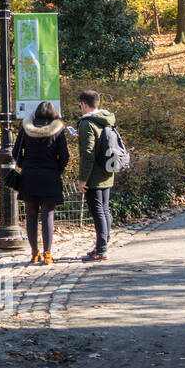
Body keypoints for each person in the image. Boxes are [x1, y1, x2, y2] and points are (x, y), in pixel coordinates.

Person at [11, 100, 69, 264]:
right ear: (53, 114)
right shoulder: (58, 129)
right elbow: (64, 156)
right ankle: (48, 254)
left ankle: (34, 253)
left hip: (29, 175)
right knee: (48, 214)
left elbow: (16, 151)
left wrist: (24, 164)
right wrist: (56, 169)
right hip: (50, 176)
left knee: (30, 215)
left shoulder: (26, 127)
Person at [76, 89, 117, 262]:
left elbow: (88, 154)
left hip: (93, 174)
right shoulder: (107, 120)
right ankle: (103, 244)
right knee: (105, 209)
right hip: (108, 169)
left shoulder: (87, 124)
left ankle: (101, 250)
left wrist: (82, 179)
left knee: (98, 211)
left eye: (80, 105)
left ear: (84, 104)